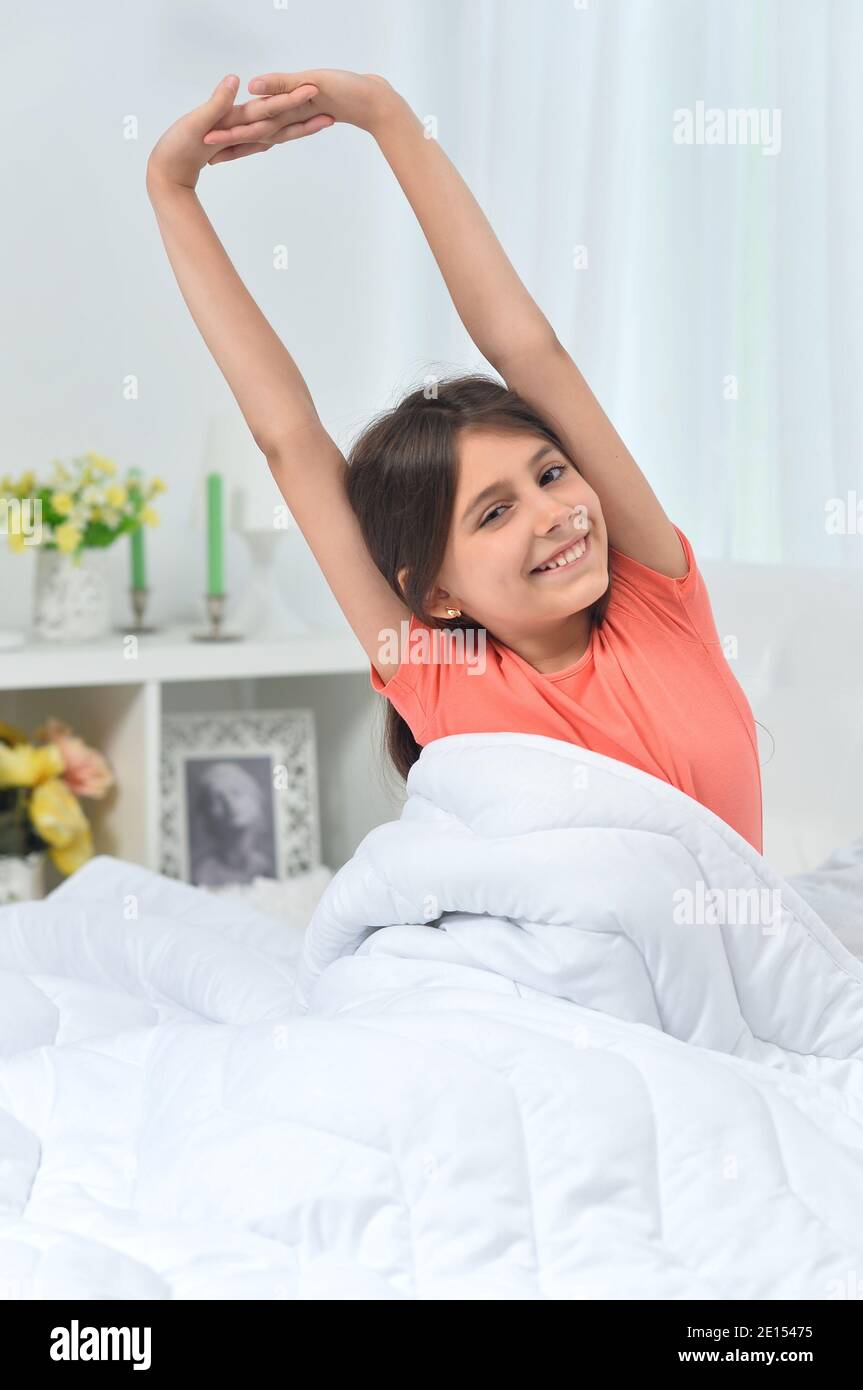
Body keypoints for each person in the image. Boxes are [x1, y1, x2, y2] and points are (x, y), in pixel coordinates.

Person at [146, 70, 762, 853]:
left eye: (549, 473)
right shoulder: (441, 674)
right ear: (434, 594)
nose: (554, 512)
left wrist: (386, 115)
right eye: (495, 512)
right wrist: (171, 189)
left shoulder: (656, 602)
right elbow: (288, 437)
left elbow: (524, 347)